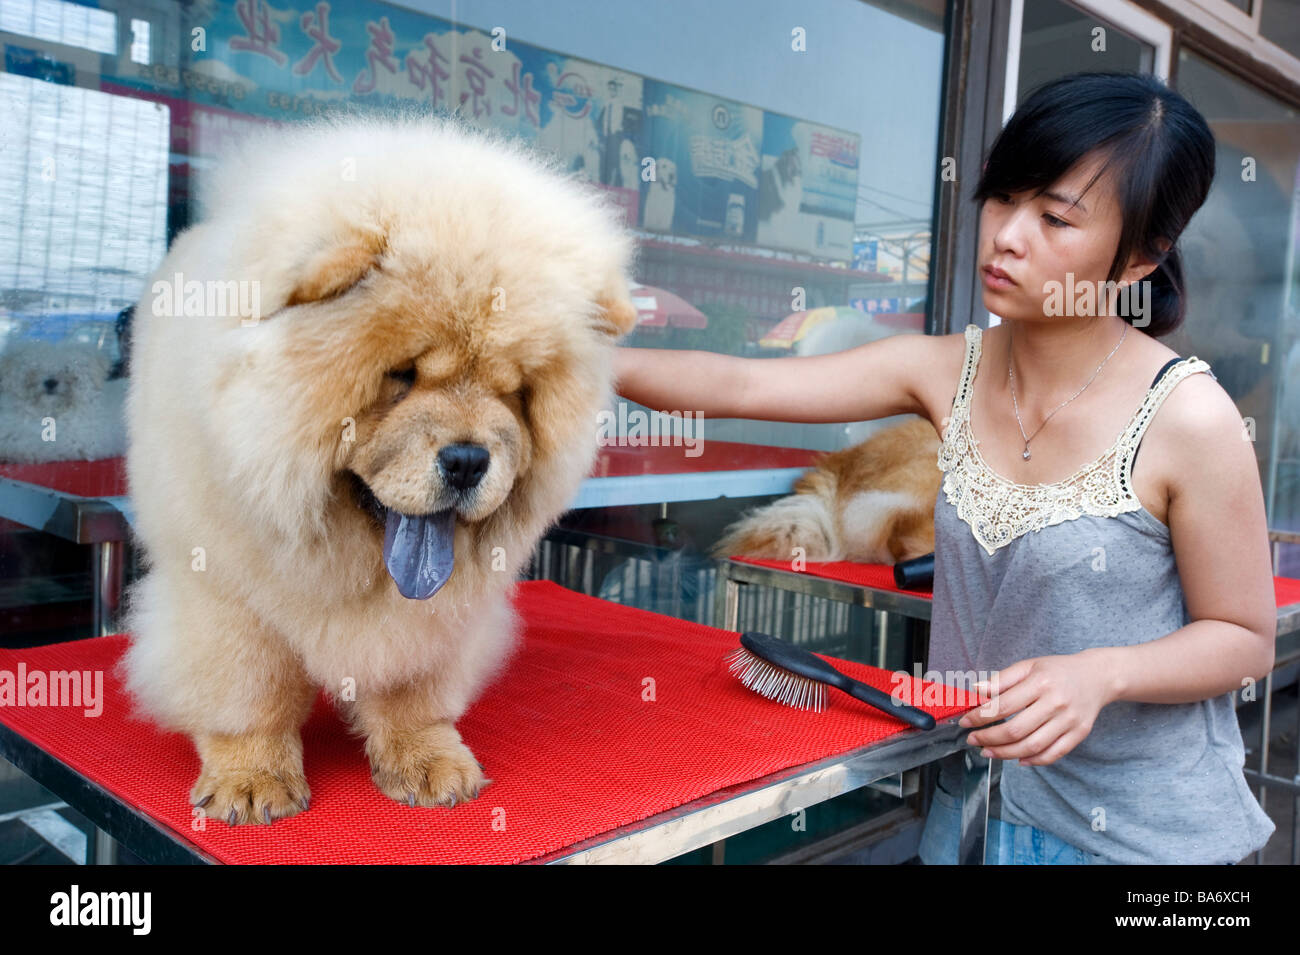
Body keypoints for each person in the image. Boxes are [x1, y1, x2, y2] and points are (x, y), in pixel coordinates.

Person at [612, 71, 1276, 865]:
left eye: (1055, 218)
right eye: (1004, 197)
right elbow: (741, 384)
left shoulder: (1188, 416)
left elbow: (1242, 637)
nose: (1007, 235)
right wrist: (567, 355)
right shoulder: (943, 370)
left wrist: (1104, 672)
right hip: (973, 812)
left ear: (1140, 258)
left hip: (1141, 838)